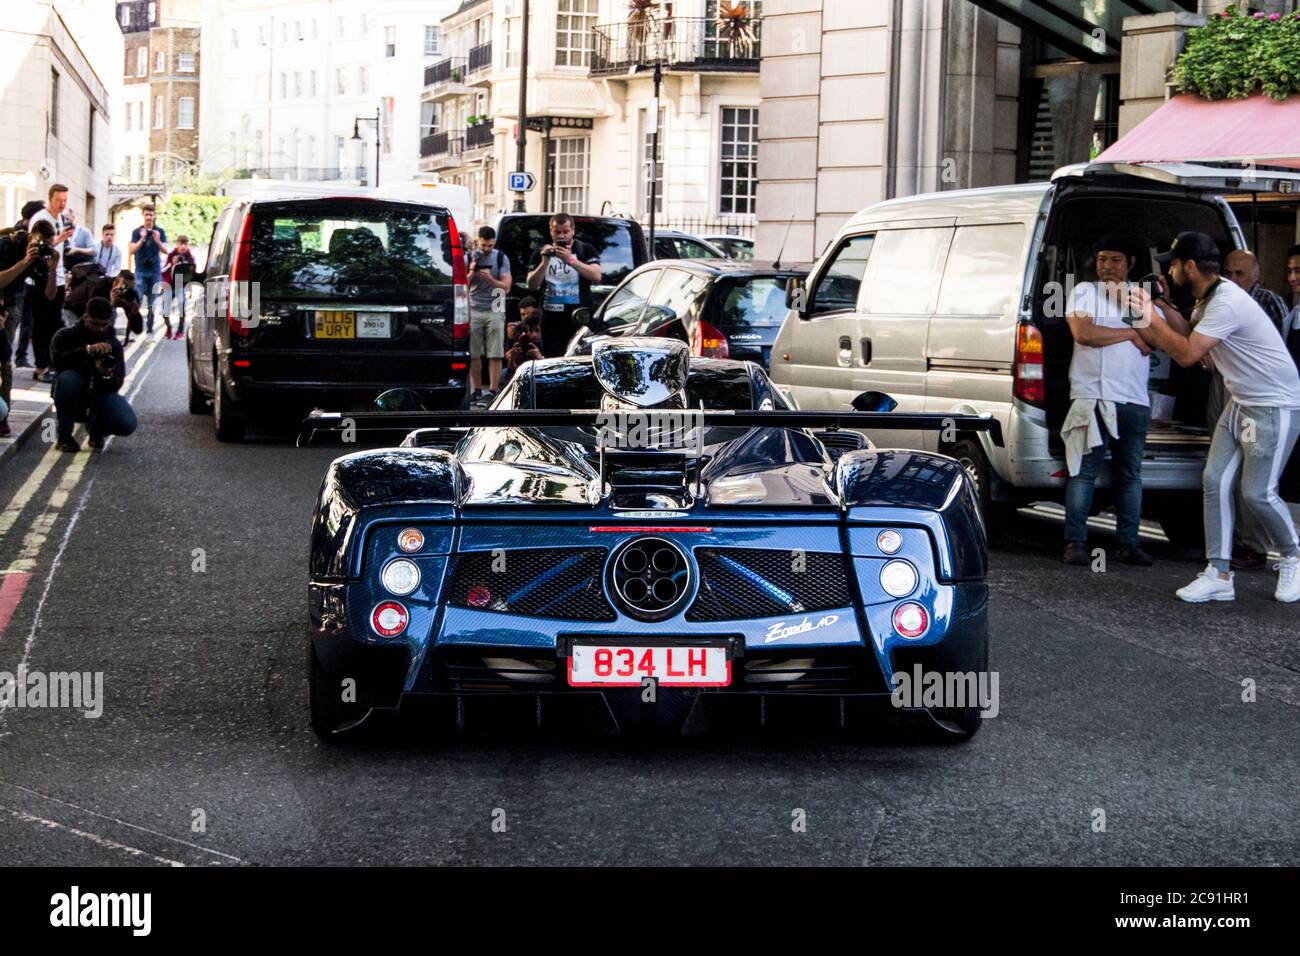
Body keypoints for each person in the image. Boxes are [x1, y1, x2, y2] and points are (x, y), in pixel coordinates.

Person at [1130, 231, 1300, 604]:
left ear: (1189, 267)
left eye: (1172, 264)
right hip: (1241, 402)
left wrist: (1148, 313)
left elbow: (1189, 354)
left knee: (1257, 493)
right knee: (1215, 481)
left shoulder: (1225, 303)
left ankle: (1293, 556)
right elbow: (1189, 345)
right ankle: (1219, 572)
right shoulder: (1209, 298)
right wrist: (1151, 310)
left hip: (1273, 405)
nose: (1169, 270)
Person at [1060, 235, 1162, 568]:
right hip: (1091, 396)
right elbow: (1084, 334)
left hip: (1132, 398)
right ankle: (1075, 542)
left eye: (1115, 260)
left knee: (1129, 474)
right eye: (1102, 259)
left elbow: (1154, 342)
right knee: (1083, 472)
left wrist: (1135, 326)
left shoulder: (1140, 297)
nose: (1107, 266)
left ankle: (1128, 543)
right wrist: (1131, 333)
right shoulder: (1084, 292)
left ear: (1131, 263)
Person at [50, 296, 136, 453]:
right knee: (68, 379)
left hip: (99, 392)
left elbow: (117, 381)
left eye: (105, 324)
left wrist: (104, 374)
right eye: (95, 324)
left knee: (127, 423)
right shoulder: (66, 336)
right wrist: (87, 352)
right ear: (85, 318)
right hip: (73, 393)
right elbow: (58, 363)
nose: (100, 329)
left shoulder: (113, 344)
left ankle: (97, 431)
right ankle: (64, 436)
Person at [526, 213, 602, 358]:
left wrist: (570, 260)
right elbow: (531, 285)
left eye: (565, 232)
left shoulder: (584, 249)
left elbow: (596, 275)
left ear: (573, 231)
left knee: (577, 362)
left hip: (578, 319)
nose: (561, 236)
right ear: (551, 231)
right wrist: (544, 263)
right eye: (557, 232)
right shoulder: (541, 253)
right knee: (553, 362)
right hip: (550, 321)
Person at [28, 184, 77, 383]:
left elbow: (61, 253)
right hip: (40, 279)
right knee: (41, 325)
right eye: (58, 200)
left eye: (65, 201)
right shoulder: (40, 219)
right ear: (50, 199)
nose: (62, 205)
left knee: (55, 324)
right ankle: (40, 367)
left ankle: (50, 364)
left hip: (56, 278)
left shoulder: (60, 219)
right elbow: (39, 249)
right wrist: (59, 239)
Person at [465, 226, 512, 401]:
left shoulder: (500, 258)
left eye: (490, 245)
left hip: (496, 306)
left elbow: (506, 287)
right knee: (474, 352)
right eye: (484, 245)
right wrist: (472, 271)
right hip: (474, 307)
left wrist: (489, 278)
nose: (486, 249)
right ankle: (476, 389)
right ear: (478, 242)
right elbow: (462, 286)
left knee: (495, 352)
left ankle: (492, 391)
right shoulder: (469, 257)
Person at [3, 200, 46, 369]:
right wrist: (26, 260)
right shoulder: (9, 240)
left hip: (18, 293)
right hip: (8, 295)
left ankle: (19, 357)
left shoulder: (39, 240)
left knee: (24, 321)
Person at [1224, 249, 1289, 337]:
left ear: (1256, 275)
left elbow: (1286, 339)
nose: (1232, 279)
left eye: (1239, 273)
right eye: (1228, 274)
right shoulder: (1221, 300)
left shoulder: (1269, 301)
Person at [129, 205, 168, 335]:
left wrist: (157, 240)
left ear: (154, 216)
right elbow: (132, 250)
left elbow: (165, 250)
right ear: (143, 215)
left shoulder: (160, 231)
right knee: (137, 300)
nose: (149, 217)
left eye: (151, 215)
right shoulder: (137, 232)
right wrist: (142, 239)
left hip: (155, 271)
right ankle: (135, 327)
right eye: (147, 214)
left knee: (152, 304)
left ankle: (150, 329)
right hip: (140, 270)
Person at [162, 235, 196, 340]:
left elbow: (192, 274)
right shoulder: (171, 255)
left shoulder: (190, 257)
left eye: (185, 244)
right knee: (165, 310)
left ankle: (180, 331)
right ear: (177, 244)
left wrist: (190, 289)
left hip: (181, 285)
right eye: (181, 244)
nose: (183, 246)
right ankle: (169, 328)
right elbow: (163, 270)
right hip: (170, 285)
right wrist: (172, 263)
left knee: (182, 307)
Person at [505, 314, 543, 378]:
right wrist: (512, 359)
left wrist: (540, 358)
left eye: (537, 330)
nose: (534, 334)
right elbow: (514, 372)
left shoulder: (550, 343)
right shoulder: (523, 341)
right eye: (531, 331)